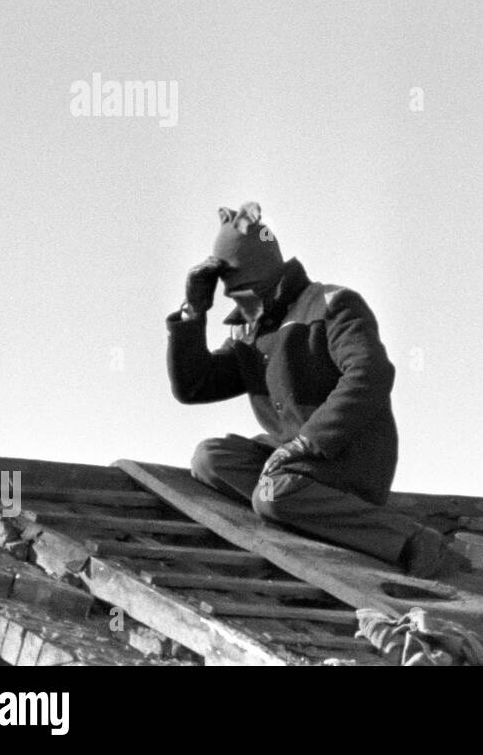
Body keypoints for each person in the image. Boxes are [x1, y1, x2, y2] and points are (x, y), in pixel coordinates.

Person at [166, 202, 465, 578]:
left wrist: (306, 442)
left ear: (265, 280)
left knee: (273, 495)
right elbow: (194, 386)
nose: (237, 301)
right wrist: (193, 313)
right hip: (293, 464)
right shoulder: (251, 329)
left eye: (241, 290)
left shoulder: (334, 305)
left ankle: (411, 541)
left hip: (346, 459)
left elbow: (370, 374)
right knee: (209, 458)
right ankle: (299, 509)